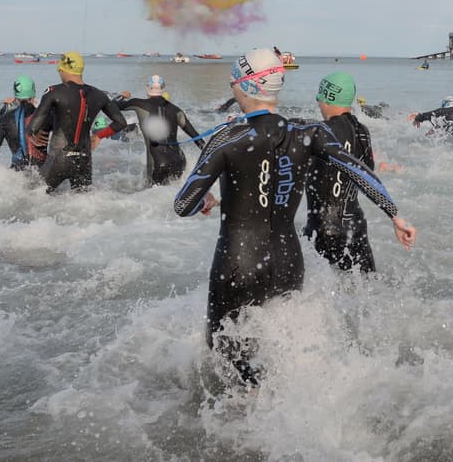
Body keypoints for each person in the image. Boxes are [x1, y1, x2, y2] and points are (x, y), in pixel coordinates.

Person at [173, 48, 416, 385]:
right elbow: (359, 170)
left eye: (233, 82)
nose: (232, 87)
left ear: (246, 85)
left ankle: (241, 415)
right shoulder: (309, 132)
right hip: (289, 262)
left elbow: (183, 204)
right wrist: (395, 215)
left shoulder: (227, 137)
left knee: (228, 366)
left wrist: (207, 198)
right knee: (279, 359)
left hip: (240, 263)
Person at [303, 71, 378, 272]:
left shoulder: (318, 131)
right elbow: (368, 171)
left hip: (322, 230)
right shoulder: (362, 131)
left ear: (327, 97)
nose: (319, 104)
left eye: (319, 99)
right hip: (356, 227)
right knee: (367, 285)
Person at [27, 51, 127, 193]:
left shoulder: (53, 91)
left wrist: (32, 136)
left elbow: (33, 126)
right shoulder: (99, 94)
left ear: (62, 70)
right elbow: (121, 122)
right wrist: (99, 136)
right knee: (83, 202)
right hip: (84, 160)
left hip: (59, 158)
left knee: (33, 195)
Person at [112, 75, 204, 186]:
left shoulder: (139, 103)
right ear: (163, 89)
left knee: (151, 193)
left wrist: (122, 96)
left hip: (158, 163)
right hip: (179, 161)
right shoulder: (176, 109)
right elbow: (197, 138)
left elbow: (112, 105)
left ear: (147, 88)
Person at [0, 76, 46, 170]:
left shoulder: (4, 119)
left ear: (16, 96)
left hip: (17, 172)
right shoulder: (46, 116)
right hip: (42, 171)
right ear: (33, 94)